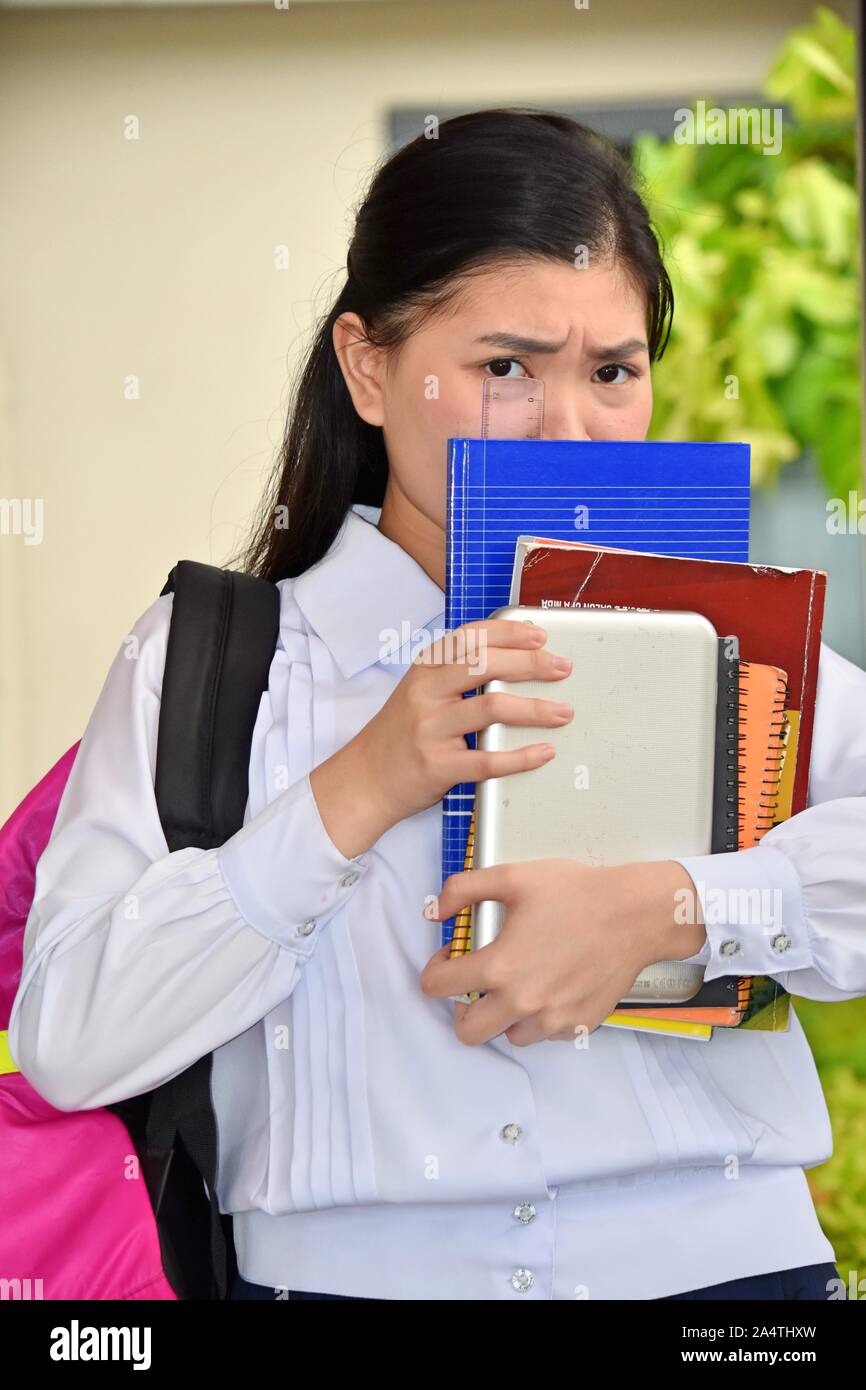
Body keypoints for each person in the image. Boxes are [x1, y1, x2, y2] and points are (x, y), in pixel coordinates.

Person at [10, 108, 865, 1302]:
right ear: (368, 366)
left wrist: (677, 906)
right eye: (504, 368)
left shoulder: (722, 632)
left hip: (727, 1285)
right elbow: (69, 1036)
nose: (567, 428)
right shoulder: (211, 660)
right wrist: (354, 791)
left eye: (612, 372)